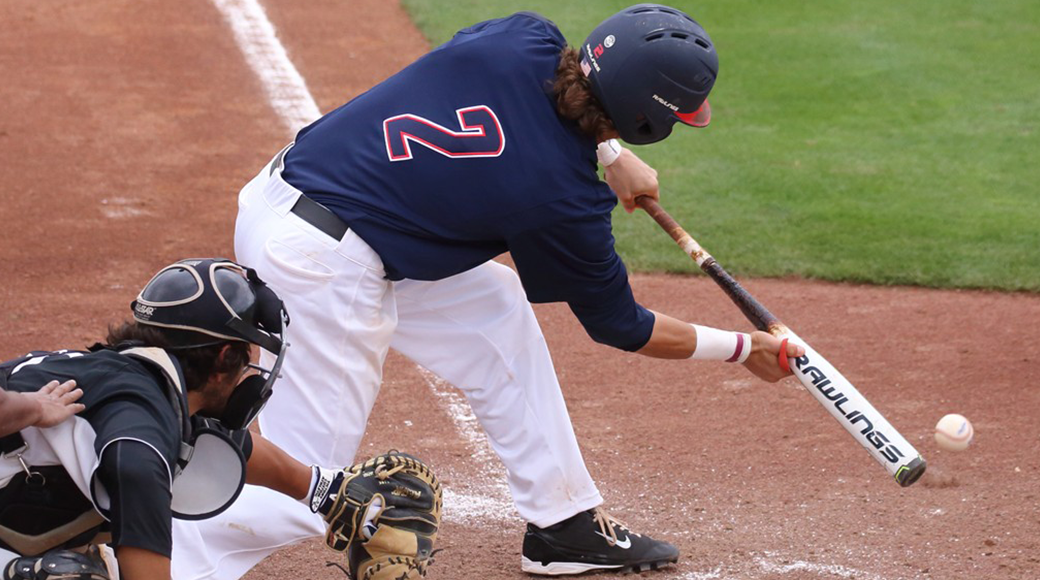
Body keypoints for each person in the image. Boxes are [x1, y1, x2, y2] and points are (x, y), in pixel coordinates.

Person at [172, 5, 805, 578]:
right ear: (649, 117)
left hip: (294, 199)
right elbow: (622, 326)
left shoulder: (524, 38)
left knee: (496, 312)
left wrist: (610, 155)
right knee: (306, 483)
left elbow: (552, 101)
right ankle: (154, 553)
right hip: (323, 264)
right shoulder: (563, 198)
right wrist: (742, 347)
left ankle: (563, 525)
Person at [0, 259, 335, 580]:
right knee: (67, 575)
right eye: (246, 356)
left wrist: (324, 490)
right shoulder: (139, 444)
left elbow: (214, 440)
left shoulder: (138, 389)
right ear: (225, 358)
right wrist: (28, 408)